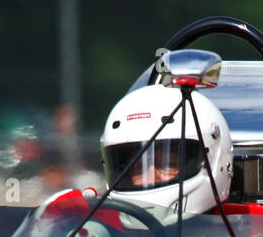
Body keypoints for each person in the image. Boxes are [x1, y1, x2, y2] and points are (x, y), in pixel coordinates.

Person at [99, 84, 233, 223]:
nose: (149, 178)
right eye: (138, 167)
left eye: (168, 164)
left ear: (212, 159)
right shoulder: (102, 228)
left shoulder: (241, 233)